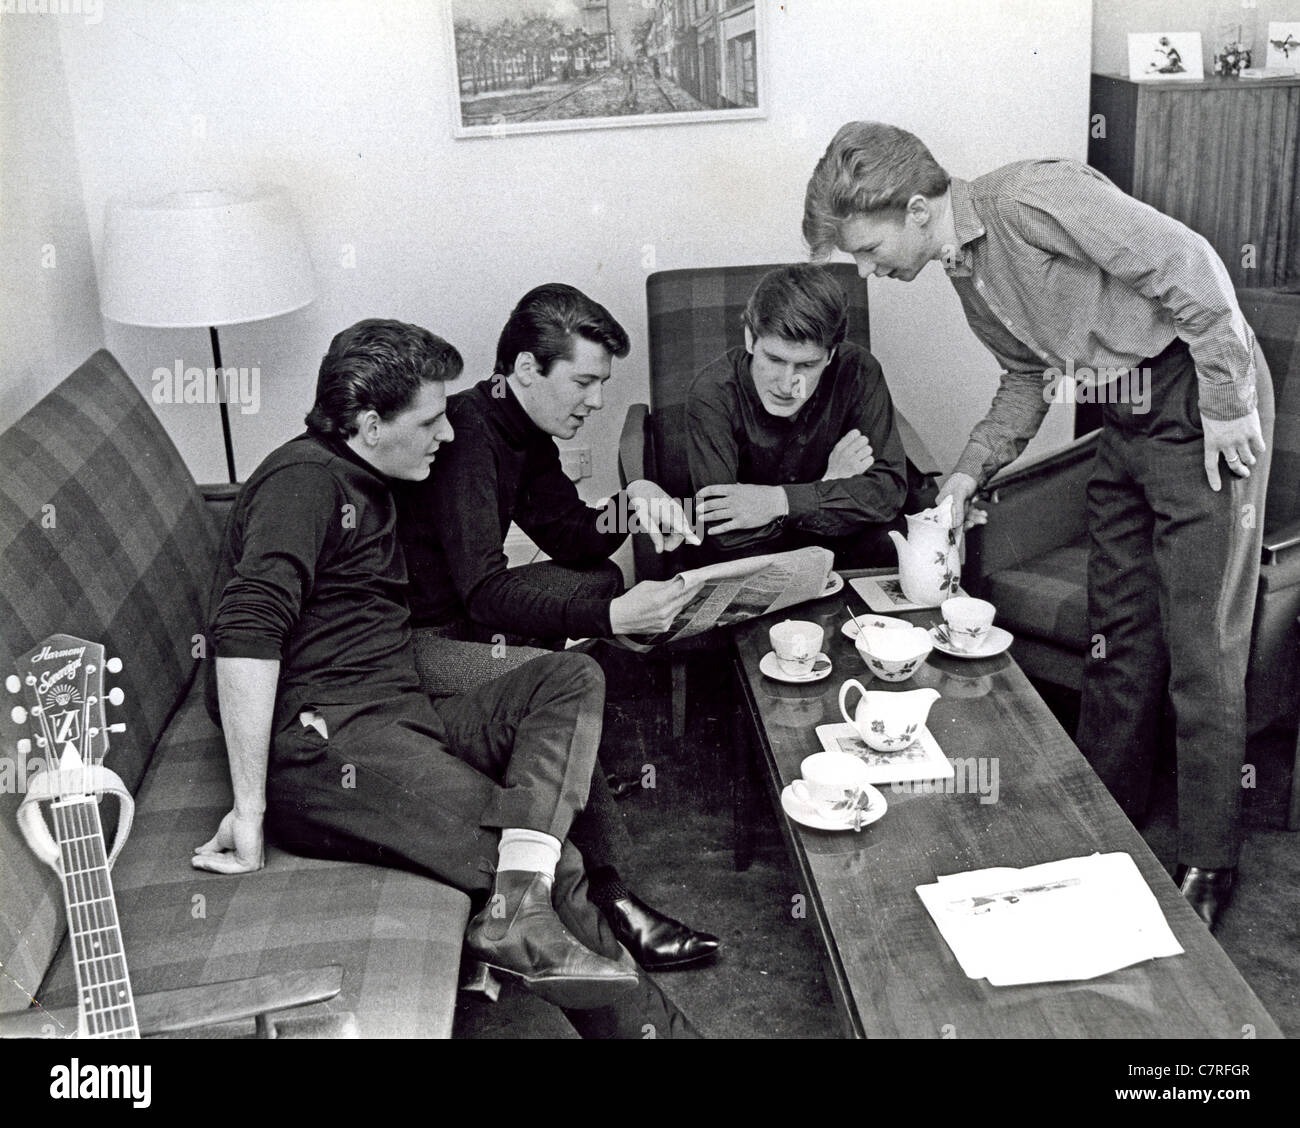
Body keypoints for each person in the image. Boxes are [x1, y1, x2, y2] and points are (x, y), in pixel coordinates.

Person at [802, 122, 1273, 930]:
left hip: (1197, 395)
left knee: (1201, 648)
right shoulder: (964, 271)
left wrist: (1229, 404)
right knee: (1119, 634)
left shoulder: (1030, 197)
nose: (868, 270)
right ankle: (1107, 823)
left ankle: (1207, 859)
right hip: (1122, 418)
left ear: (917, 209)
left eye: (868, 248)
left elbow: (1191, 264)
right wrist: (964, 476)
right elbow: (1029, 378)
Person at [192, 318, 697, 1036]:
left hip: (398, 712)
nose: (448, 434)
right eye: (430, 420)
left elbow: (560, 534)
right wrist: (249, 811)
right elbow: (245, 626)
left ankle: (518, 903)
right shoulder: (304, 481)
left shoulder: (366, 476)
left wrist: (631, 497)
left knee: (570, 680)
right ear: (370, 424)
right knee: (560, 870)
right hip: (329, 747)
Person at [393, 284, 720, 970]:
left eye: (602, 384)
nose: (595, 401)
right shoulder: (466, 439)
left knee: (599, 582)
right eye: (584, 381)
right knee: (576, 672)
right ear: (525, 369)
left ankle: (561, 777)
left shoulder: (522, 429)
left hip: (462, 620)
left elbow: (572, 539)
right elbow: (484, 592)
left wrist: (632, 504)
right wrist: (607, 617)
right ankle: (611, 896)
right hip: (421, 649)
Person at [686, 262, 909, 566]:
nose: (787, 383)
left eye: (806, 365)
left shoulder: (859, 370)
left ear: (830, 355)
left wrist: (778, 502)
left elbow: (888, 493)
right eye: (774, 359)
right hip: (751, 560)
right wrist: (830, 486)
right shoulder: (713, 393)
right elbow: (724, 533)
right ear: (751, 338)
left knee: (892, 536)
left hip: (838, 550)